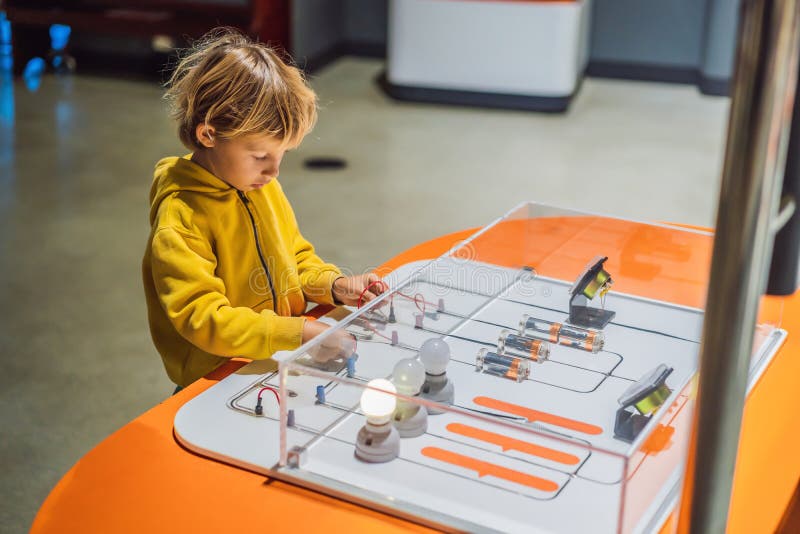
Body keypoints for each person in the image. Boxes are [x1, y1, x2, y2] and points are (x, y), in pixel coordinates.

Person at [142, 28, 382, 389]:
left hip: (273, 359)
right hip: (216, 379)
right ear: (208, 135)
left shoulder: (260, 186)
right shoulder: (182, 217)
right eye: (260, 156)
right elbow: (203, 319)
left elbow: (295, 259)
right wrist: (296, 332)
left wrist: (335, 285)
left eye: (282, 154)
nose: (274, 171)